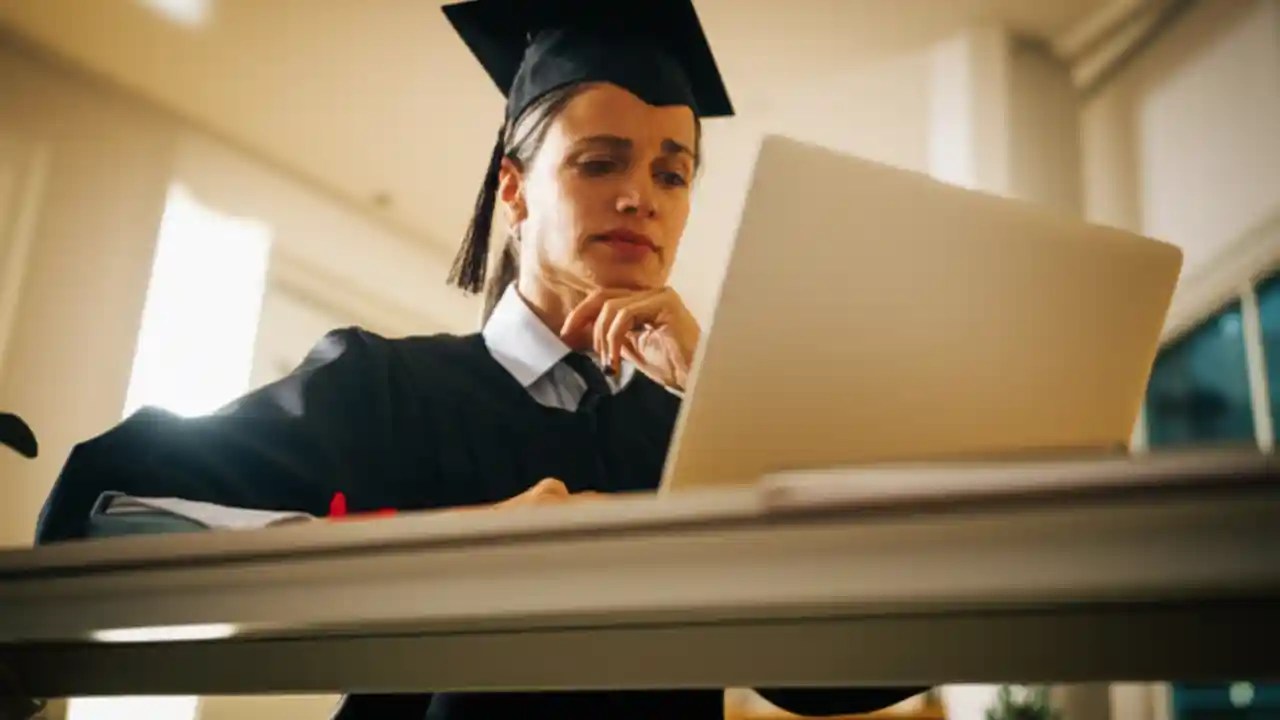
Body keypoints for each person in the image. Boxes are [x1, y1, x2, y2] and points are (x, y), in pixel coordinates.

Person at [35, 0, 928, 716]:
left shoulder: (693, 439)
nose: (638, 197)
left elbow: (844, 667)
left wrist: (724, 392)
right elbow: (108, 515)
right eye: (599, 161)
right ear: (514, 187)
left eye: (672, 172)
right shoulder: (385, 388)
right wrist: (448, 558)